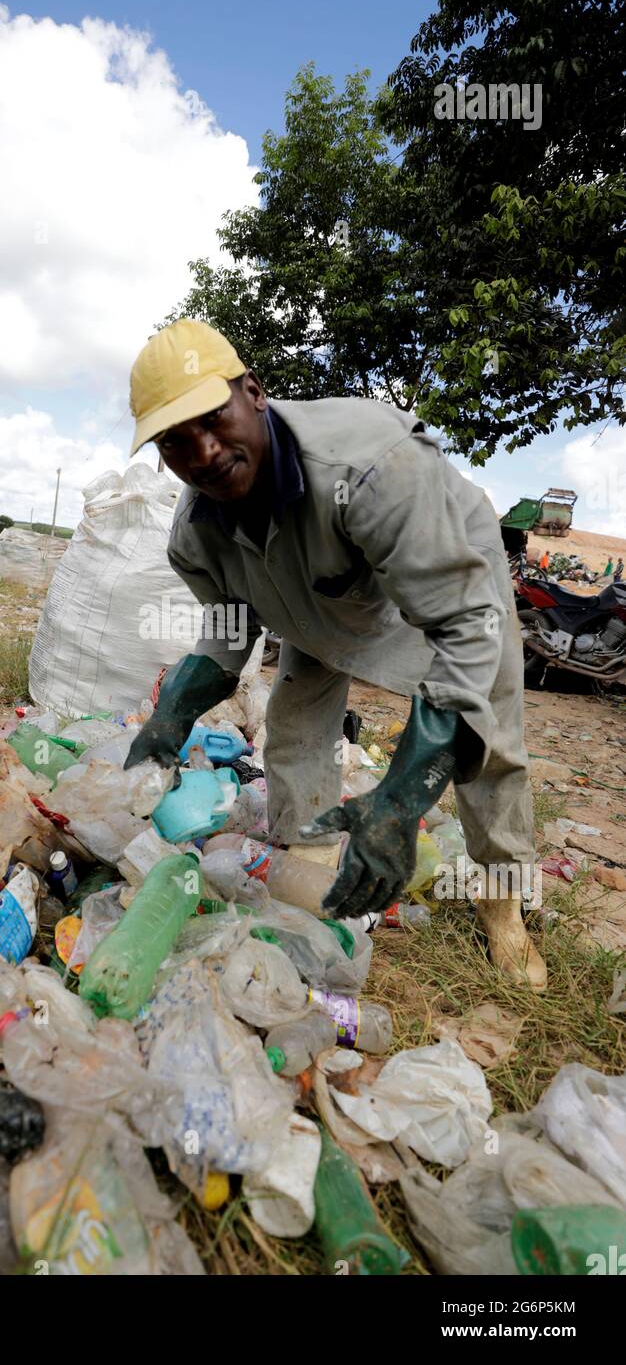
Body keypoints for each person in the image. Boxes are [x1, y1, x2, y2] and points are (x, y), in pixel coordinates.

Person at [123, 319, 546, 991]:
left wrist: (401, 801)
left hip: (452, 580)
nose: (203, 451)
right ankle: (313, 857)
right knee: (293, 727)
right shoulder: (196, 533)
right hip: (316, 597)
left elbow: (464, 628)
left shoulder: (370, 464)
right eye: (175, 442)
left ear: (254, 393)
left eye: (213, 418)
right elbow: (231, 629)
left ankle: (502, 905)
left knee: (488, 748)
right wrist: (173, 712)